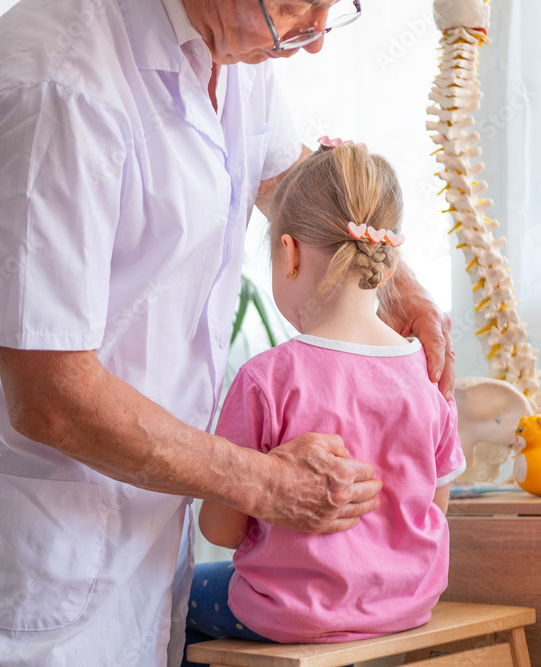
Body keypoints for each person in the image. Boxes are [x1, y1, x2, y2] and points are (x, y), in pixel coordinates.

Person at [0, 0, 456, 665]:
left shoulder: (236, 48)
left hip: (148, 543)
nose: (318, 38)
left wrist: (392, 273)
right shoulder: (51, 87)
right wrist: (267, 484)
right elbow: (49, 393)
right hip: (35, 562)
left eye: (339, 4)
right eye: (300, 4)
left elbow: (291, 180)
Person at [185, 146, 466, 660]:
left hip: (291, 614)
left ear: (289, 253)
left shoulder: (266, 379)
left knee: (175, 593)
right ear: (387, 258)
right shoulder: (426, 373)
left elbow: (219, 530)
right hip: (408, 605)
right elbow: (434, 512)